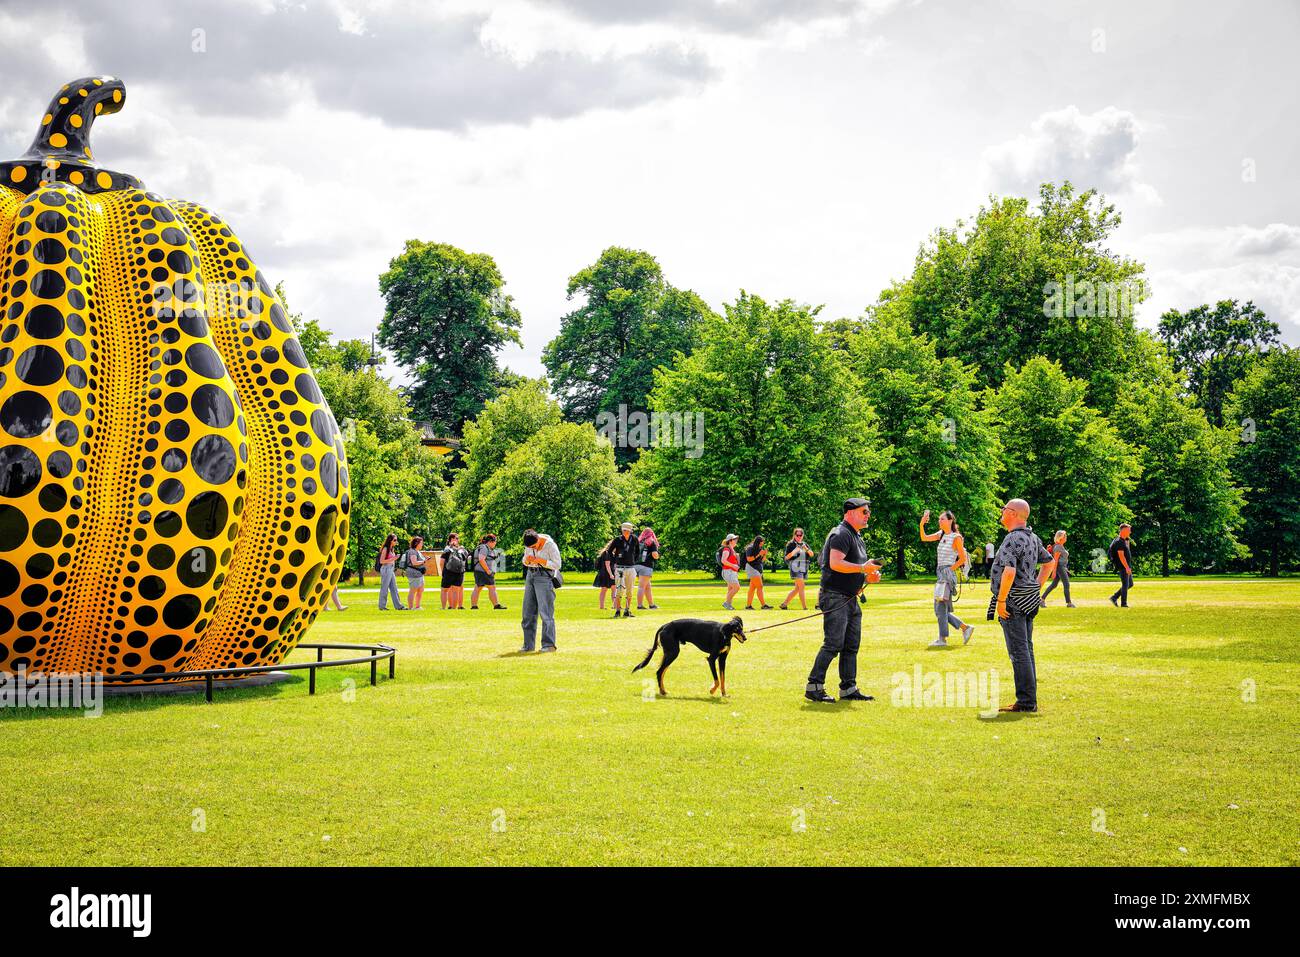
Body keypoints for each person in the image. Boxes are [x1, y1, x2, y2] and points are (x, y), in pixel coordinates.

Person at [805, 497, 881, 703]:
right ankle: (814, 686)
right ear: (850, 512)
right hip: (835, 597)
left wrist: (868, 577)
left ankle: (848, 688)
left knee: (851, 645)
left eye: (868, 512)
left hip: (850, 598)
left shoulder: (856, 536)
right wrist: (863, 568)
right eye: (864, 511)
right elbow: (836, 563)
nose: (868, 515)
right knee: (833, 644)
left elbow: (855, 569)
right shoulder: (841, 534)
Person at [990, 498, 1057, 713]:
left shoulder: (1011, 539)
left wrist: (1001, 600)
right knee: (1026, 649)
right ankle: (1029, 700)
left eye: (1004, 509)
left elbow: (1009, 572)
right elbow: (1049, 563)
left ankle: (1026, 702)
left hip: (1013, 602)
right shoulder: (1032, 537)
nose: (1002, 512)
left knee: (1019, 652)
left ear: (1013, 513)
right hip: (1028, 600)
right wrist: (1035, 587)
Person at [919, 509, 975, 647]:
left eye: (942, 519)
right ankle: (965, 628)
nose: (940, 521)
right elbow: (924, 538)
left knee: (940, 607)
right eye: (939, 519)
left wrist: (950, 569)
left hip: (947, 573)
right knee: (940, 609)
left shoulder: (956, 537)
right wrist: (922, 524)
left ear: (950, 521)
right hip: (940, 572)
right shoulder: (941, 534)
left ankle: (942, 639)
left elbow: (962, 558)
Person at [520, 529, 561, 653]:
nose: (533, 548)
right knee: (527, 612)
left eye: (534, 546)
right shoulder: (529, 543)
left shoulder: (550, 545)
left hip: (544, 577)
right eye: (530, 547)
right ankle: (528, 646)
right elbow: (524, 559)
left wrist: (540, 561)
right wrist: (526, 561)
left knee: (546, 612)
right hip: (530, 575)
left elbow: (557, 564)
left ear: (538, 539)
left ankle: (549, 645)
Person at [608, 522, 640, 618]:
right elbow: (609, 551)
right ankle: (618, 610)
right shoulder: (618, 539)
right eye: (624, 530)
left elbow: (638, 551)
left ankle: (627, 610)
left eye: (627, 530)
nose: (625, 532)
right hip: (620, 568)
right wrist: (615, 561)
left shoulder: (634, 539)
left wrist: (634, 560)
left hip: (631, 568)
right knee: (619, 589)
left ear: (630, 531)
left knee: (630, 590)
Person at [780, 528, 814, 610]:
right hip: (795, 567)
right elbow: (786, 557)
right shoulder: (790, 544)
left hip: (803, 567)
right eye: (797, 535)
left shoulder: (804, 544)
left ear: (803, 535)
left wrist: (806, 549)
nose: (799, 537)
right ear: (794, 535)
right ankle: (804, 607)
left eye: (800, 535)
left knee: (797, 589)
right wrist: (794, 551)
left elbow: (812, 554)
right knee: (801, 586)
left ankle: (784, 604)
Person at [471, 533, 507, 610]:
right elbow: (481, 559)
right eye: (495, 542)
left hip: (479, 571)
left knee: (478, 588)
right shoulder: (484, 547)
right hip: (484, 571)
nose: (495, 544)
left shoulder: (482, 547)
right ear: (490, 541)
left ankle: (474, 606)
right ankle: (496, 605)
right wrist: (488, 570)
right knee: (492, 587)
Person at [1040, 530, 1075, 607]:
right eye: (1064, 536)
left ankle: (1041, 600)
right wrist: (1054, 572)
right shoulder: (1058, 547)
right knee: (1066, 584)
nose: (1066, 537)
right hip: (1060, 567)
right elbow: (1055, 560)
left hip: (1062, 567)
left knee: (1054, 585)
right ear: (1060, 537)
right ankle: (1069, 603)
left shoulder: (1060, 546)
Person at [440, 533, 470, 610]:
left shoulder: (447, 549)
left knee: (445, 590)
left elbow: (441, 562)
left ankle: (445, 608)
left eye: (456, 538)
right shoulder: (461, 550)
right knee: (455, 591)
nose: (455, 540)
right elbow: (466, 560)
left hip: (448, 572)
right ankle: (453, 608)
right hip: (459, 573)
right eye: (454, 538)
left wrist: (443, 572)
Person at [376, 533, 405, 611]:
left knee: (394, 588)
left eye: (396, 540)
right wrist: (394, 558)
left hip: (391, 569)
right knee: (384, 588)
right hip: (386, 569)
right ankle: (382, 606)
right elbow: (382, 561)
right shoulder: (385, 549)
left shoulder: (392, 549)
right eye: (394, 540)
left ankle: (399, 606)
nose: (396, 542)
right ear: (390, 540)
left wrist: (394, 558)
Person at [743, 535, 772, 610]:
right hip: (751, 568)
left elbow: (762, 560)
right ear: (757, 542)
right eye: (761, 543)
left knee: (752, 588)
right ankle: (763, 605)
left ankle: (748, 606)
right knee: (760, 586)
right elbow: (749, 559)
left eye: (762, 544)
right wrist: (759, 554)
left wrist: (764, 554)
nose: (761, 545)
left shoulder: (759, 548)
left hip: (757, 569)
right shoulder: (750, 548)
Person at [1109, 523, 1134, 607]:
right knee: (1125, 584)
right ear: (1123, 530)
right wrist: (1127, 567)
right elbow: (1121, 556)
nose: (1130, 532)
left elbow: (1127, 551)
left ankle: (1114, 597)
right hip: (1123, 566)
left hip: (1126, 565)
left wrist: (1128, 566)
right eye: (1128, 530)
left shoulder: (1123, 540)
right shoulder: (1119, 542)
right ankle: (1124, 604)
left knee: (1130, 584)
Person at [635, 528, 660, 610]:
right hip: (646, 566)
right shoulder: (651, 542)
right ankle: (639, 605)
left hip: (636, 565)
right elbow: (654, 555)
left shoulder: (638, 542)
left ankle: (651, 604)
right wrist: (657, 556)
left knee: (647, 586)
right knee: (641, 587)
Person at [404, 535, 429, 610]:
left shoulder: (417, 551)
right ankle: (411, 607)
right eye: (421, 543)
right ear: (416, 543)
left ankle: (417, 606)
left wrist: (424, 559)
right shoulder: (412, 551)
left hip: (419, 573)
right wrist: (424, 561)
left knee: (420, 590)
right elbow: (414, 562)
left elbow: (419, 561)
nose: (422, 544)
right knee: (413, 590)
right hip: (414, 573)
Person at [593, 537, 617, 609]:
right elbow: (607, 565)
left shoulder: (611, 553)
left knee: (612, 589)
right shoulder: (607, 553)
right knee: (605, 589)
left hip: (606, 573)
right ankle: (603, 606)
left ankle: (614, 605)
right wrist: (611, 574)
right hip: (606, 573)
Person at [719, 533, 742, 609]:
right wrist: (733, 566)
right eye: (735, 539)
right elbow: (723, 560)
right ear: (730, 541)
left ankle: (729, 605)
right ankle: (726, 603)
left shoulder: (732, 549)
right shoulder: (727, 549)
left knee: (731, 589)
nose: (736, 540)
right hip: (728, 571)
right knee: (736, 587)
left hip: (731, 572)